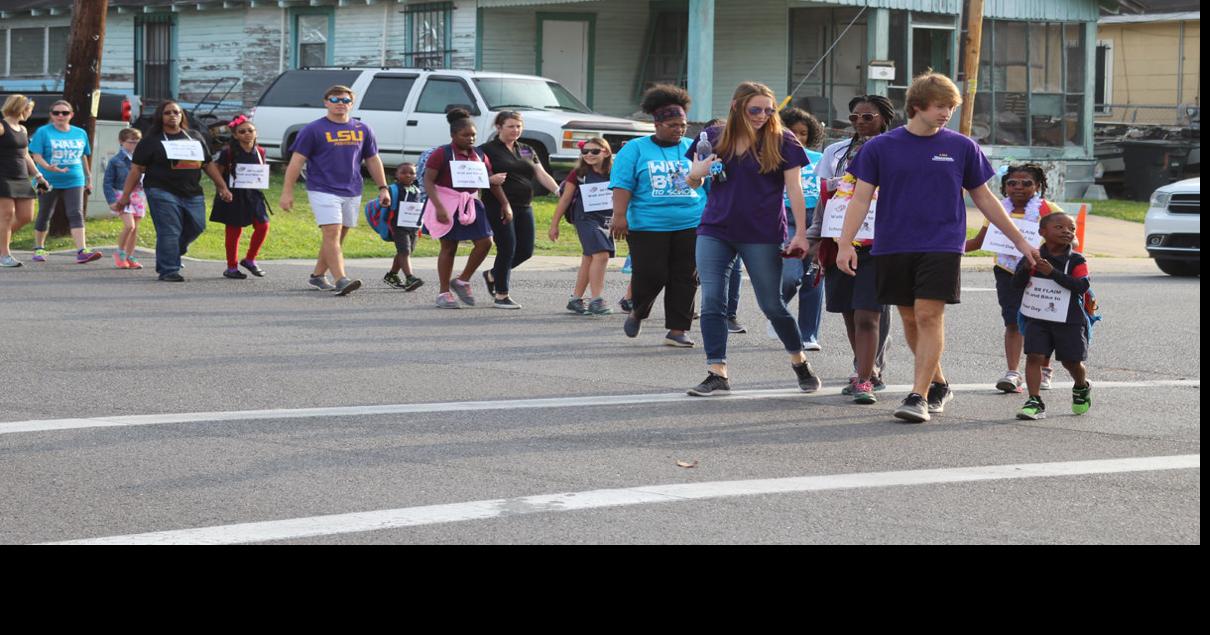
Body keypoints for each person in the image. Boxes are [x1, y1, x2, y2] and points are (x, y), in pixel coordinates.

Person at [838, 72, 1038, 422]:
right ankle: (940, 382)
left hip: (942, 244)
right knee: (910, 320)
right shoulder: (880, 148)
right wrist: (845, 243)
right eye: (941, 106)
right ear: (917, 106)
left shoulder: (962, 147)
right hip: (893, 244)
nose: (947, 112)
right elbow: (859, 199)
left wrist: (1019, 239)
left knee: (929, 315)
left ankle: (919, 395)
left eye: (951, 106)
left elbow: (985, 199)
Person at [684, 81, 817, 396]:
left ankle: (799, 361)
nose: (762, 115)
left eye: (769, 110)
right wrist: (697, 172)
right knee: (712, 299)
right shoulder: (713, 137)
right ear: (736, 106)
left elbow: (794, 189)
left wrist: (800, 233)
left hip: (762, 233)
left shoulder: (782, 140)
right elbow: (691, 181)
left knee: (772, 304)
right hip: (715, 229)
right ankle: (717, 372)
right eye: (755, 109)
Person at [811, 95, 897, 403]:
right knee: (849, 310)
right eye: (855, 118)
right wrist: (815, 236)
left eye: (868, 117)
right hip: (837, 240)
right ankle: (862, 366)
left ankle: (868, 375)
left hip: (879, 242)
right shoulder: (835, 152)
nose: (860, 123)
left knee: (869, 312)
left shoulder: (896, 149)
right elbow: (823, 199)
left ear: (884, 118)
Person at [610, 84, 707, 348]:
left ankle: (677, 330)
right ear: (657, 124)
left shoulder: (694, 147)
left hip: (690, 222)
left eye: (683, 125)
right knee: (651, 273)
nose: (679, 130)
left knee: (686, 276)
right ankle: (638, 310)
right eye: (673, 125)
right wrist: (619, 215)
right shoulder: (635, 149)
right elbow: (622, 183)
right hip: (648, 224)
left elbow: (710, 182)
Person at [280, 84, 392, 296]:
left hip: (352, 188)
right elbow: (296, 162)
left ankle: (318, 276)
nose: (340, 104)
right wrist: (287, 192)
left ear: (352, 104)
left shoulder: (362, 129)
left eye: (345, 100)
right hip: (322, 188)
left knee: (339, 235)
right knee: (332, 232)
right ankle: (341, 279)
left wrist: (383, 188)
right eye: (335, 99)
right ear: (326, 103)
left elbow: (372, 159)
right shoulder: (313, 130)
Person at [965, 163, 1061, 393]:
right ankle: (1013, 372)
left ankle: (1044, 369)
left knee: (1041, 321)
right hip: (1006, 271)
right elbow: (979, 241)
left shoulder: (1047, 208)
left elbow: (1067, 239)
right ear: (1004, 187)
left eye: (1026, 183)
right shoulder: (998, 209)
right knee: (1012, 321)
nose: (1018, 188)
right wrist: (946, 247)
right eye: (1012, 183)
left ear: (1037, 186)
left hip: (1040, 271)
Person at [112, 100, 233, 282]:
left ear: (182, 115)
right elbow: (136, 169)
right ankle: (169, 270)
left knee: (197, 226)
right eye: (168, 112)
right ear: (160, 116)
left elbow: (207, 164)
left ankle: (174, 250)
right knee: (169, 230)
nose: (172, 116)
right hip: (160, 191)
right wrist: (125, 196)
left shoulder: (194, 137)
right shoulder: (151, 141)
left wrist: (222, 186)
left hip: (192, 191)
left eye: (176, 112)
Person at [423, 108, 512, 309]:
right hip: (446, 202)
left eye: (473, 135)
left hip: (470, 202)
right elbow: (428, 180)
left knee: (485, 242)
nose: (470, 138)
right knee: (449, 247)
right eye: (465, 135)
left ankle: (463, 280)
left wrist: (505, 204)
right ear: (453, 135)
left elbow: (491, 181)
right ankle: (444, 293)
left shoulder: (479, 155)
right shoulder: (442, 153)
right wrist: (438, 207)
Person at [1011, 212, 1093, 420]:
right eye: (1060, 227)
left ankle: (1081, 386)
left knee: (1070, 362)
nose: (1067, 231)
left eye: (1071, 228)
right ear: (1042, 232)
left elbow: (1082, 285)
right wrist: (1025, 270)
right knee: (1034, 356)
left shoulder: (1076, 260)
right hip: (1038, 317)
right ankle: (1034, 400)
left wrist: (1052, 273)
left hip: (1069, 320)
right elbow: (1016, 285)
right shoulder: (1033, 256)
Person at [479, 111, 561, 309]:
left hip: (524, 205)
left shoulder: (525, 149)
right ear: (498, 127)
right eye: (510, 126)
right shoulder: (486, 150)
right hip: (499, 205)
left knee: (525, 251)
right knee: (507, 247)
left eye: (518, 126)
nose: (515, 130)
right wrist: (488, 180)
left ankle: (492, 274)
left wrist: (560, 192)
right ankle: (501, 295)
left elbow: (540, 174)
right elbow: (475, 176)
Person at [772, 107, 826, 351]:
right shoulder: (774, 156)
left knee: (814, 278)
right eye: (791, 131)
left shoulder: (820, 158)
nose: (798, 137)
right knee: (790, 276)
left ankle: (808, 335)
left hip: (817, 219)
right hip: (786, 220)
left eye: (803, 133)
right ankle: (777, 313)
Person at [29, 100, 102, 264]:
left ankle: (82, 250)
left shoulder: (80, 133)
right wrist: (48, 167)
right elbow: (36, 155)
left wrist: (88, 178)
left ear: (71, 115)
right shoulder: (43, 132)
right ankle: (39, 248)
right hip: (47, 179)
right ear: (51, 115)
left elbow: (83, 156)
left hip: (75, 179)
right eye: (56, 113)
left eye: (64, 113)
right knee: (45, 212)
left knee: (76, 213)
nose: (60, 116)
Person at [550, 137, 614, 315]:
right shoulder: (579, 173)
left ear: (606, 152)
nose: (589, 155)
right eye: (585, 152)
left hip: (606, 218)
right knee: (601, 255)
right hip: (584, 218)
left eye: (594, 151)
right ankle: (596, 299)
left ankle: (575, 299)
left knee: (589, 257)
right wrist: (554, 224)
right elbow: (565, 199)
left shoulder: (615, 171)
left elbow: (624, 194)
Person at [0, 94, 48, 268]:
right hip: (3, 177)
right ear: (21, 109)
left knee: (26, 216)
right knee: (6, 216)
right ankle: (4, 255)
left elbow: (26, 154)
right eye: (30, 109)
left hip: (21, 177)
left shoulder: (23, 129)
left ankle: (1, 243)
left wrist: (38, 175)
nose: (30, 113)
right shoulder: (2, 126)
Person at [103, 127, 146, 269]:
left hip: (138, 194)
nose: (135, 145)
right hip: (121, 194)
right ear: (121, 142)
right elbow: (107, 182)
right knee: (129, 225)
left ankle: (130, 256)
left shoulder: (143, 159)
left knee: (135, 228)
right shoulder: (116, 160)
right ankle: (120, 253)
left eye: (138, 142)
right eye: (131, 142)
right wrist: (111, 201)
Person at [382, 162, 424, 292]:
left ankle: (391, 275)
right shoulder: (392, 189)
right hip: (398, 225)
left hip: (413, 226)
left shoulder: (417, 189)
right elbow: (385, 205)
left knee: (406, 251)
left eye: (412, 173)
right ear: (396, 174)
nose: (408, 175)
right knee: (404, 251)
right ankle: (410, 278)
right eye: (404, 172)